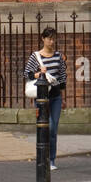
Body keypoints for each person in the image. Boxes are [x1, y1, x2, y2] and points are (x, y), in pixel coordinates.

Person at [24, 26, 67, 171]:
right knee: (45, 128)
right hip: (42, 98)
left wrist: (63, 97)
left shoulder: (58, 56)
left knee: (53, 128)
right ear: (43, 39)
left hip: (55, 97)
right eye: (49, 38)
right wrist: (38, 73)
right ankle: (44, 157)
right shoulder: (35, 56)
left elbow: (62, 78)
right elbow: (27, 74)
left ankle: (52, 160)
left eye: (54, 38)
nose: (52, 41)